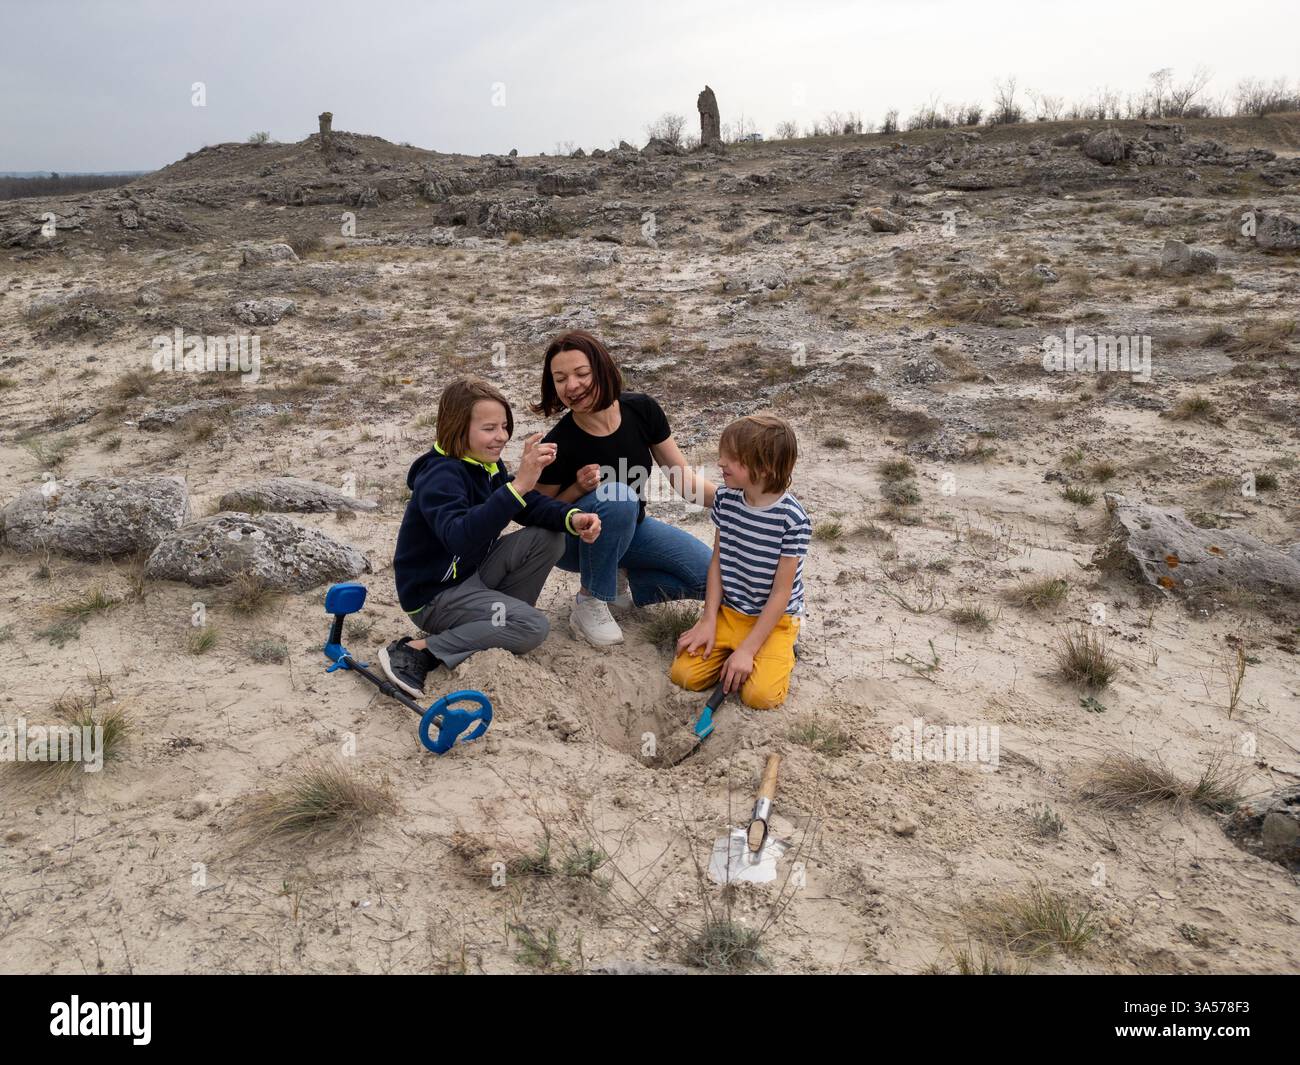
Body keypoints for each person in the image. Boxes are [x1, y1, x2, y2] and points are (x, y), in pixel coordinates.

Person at [379, 376, 601, 697]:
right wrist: (520, 485)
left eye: (504, 426)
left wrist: (572, 517)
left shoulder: (485, 464)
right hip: (435, 596)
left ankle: (494, 626)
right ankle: (417, 649)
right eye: (489, 429)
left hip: (472, 577)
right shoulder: (440, 475)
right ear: (457, 428)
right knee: (533, 627)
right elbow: (459, 536)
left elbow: (525, 507)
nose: (502, 437)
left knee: (549, 537)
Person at [532, 330, 715, 648]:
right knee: (620, 496)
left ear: (601, 369)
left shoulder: (642, 410)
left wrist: (741, 499)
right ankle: (589, 601)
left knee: (710, 579)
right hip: (576, 542)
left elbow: (683, 480)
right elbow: (540, 516)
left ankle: (621, 582)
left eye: (581, 373)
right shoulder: (559, 442)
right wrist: (576, 489)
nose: (571, 386)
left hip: (630, 529)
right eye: (560, 379)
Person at [671, 414, 809, 710]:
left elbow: (781, 593)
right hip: (730, 612)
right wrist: (708, 619)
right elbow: (718, 562)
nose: (721, 462)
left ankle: (782, 651)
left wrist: (747, 651)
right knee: (684, 676)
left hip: (774, 621)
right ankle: (739, 650)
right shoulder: (726, 499)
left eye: (732, 458)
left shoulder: (792, 519)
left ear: (765, 466)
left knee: (759, 697)